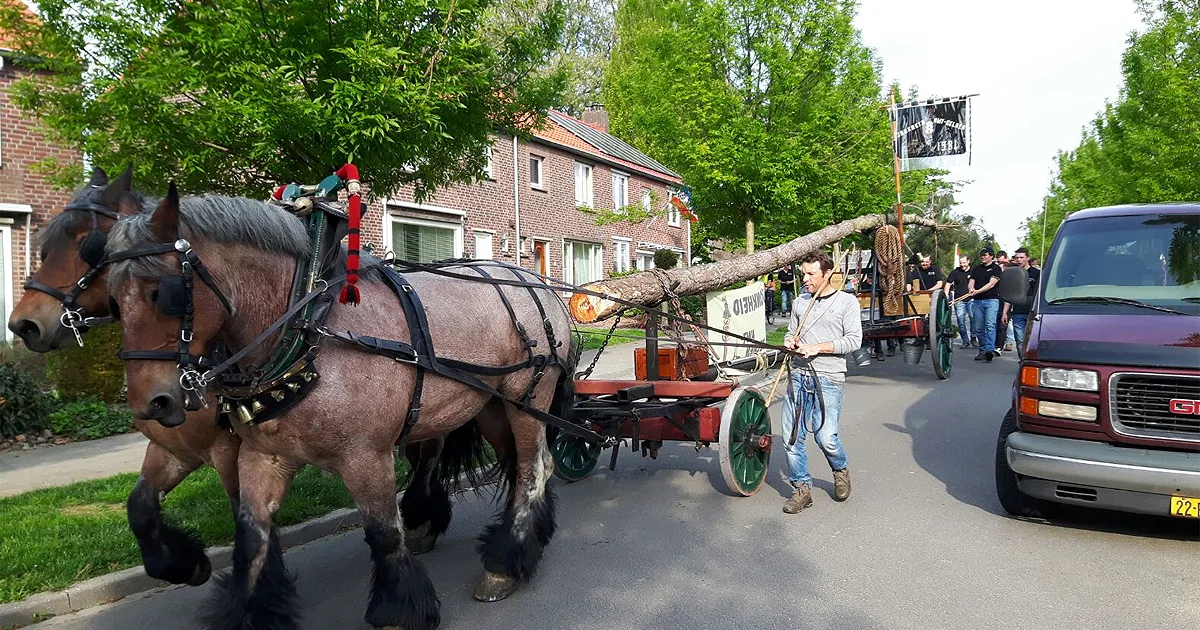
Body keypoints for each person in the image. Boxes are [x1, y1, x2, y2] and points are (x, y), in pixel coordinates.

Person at [782, 252, 862, 514]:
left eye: (810, 274)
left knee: (826, 437)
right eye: (803, 273)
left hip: (828, 376)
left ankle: (840, 469)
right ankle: (802, 489)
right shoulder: (799, 303)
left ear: (826, 274)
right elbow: (790, 332)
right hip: (799, 375)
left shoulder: (846, 303)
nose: (804, 279)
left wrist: (819, 347)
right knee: (792, 438)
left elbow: (853, 341)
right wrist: (789, 341)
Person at [966, 246, 1003, 361]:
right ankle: (982, 350)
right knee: (978, 327)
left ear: (991, 256)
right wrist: (971, 289)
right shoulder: (977, 269)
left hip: (992, 300)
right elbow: (971, 282)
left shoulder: (996, 268)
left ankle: (989, 350)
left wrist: (977, 291)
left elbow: (992, 284)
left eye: (985, 254)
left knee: (990, 325)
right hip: (977, 301)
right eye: (981, 255)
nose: (983, 256)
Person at [1002, 248, 1039, 358]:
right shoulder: (1012, 274)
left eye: (1021, 257)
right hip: (1017, 311)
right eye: (1017, 258)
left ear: (1027, 258)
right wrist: (1005, 312)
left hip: (1032, 311)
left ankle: (1031, 362)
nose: (1019, 260)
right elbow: (1009, 294)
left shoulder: (1036, 273)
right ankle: (1022, 362)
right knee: (1019, 340)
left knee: (1033, 340)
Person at [944, 255, 973, 348]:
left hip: (972, 299)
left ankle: (973, 337)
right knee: (961, 321)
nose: (962, 265)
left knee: (974, 319)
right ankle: (965, 340)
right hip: (959, 300)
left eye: (964, 262)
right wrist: (945, 296)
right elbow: (948, 284)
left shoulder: (974, 271)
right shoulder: (955, 272)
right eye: (961, 263)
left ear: (968, 261)